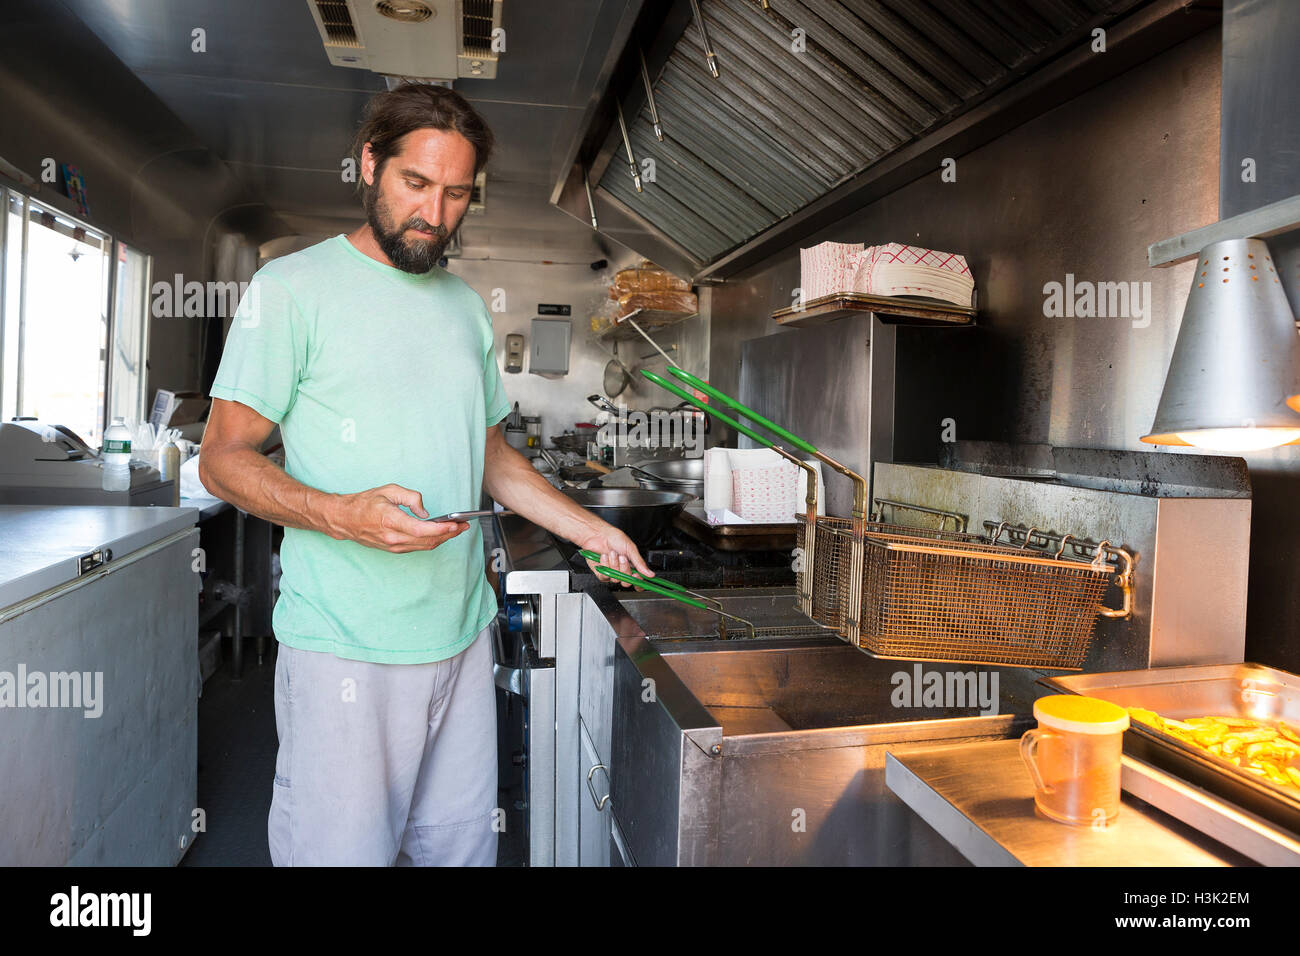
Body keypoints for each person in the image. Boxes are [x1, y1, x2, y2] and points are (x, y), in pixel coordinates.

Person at [199, 83, 653, 867]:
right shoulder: (292, 289)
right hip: (345, 648)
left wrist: (591, 527)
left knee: (461, 855)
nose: (434, 216)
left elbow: (489, 455)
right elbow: (222, 459)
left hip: (462, 637)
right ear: (371, 163)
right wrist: (345, 515)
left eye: (455, 196)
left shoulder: (464, 308)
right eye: (417, 185)